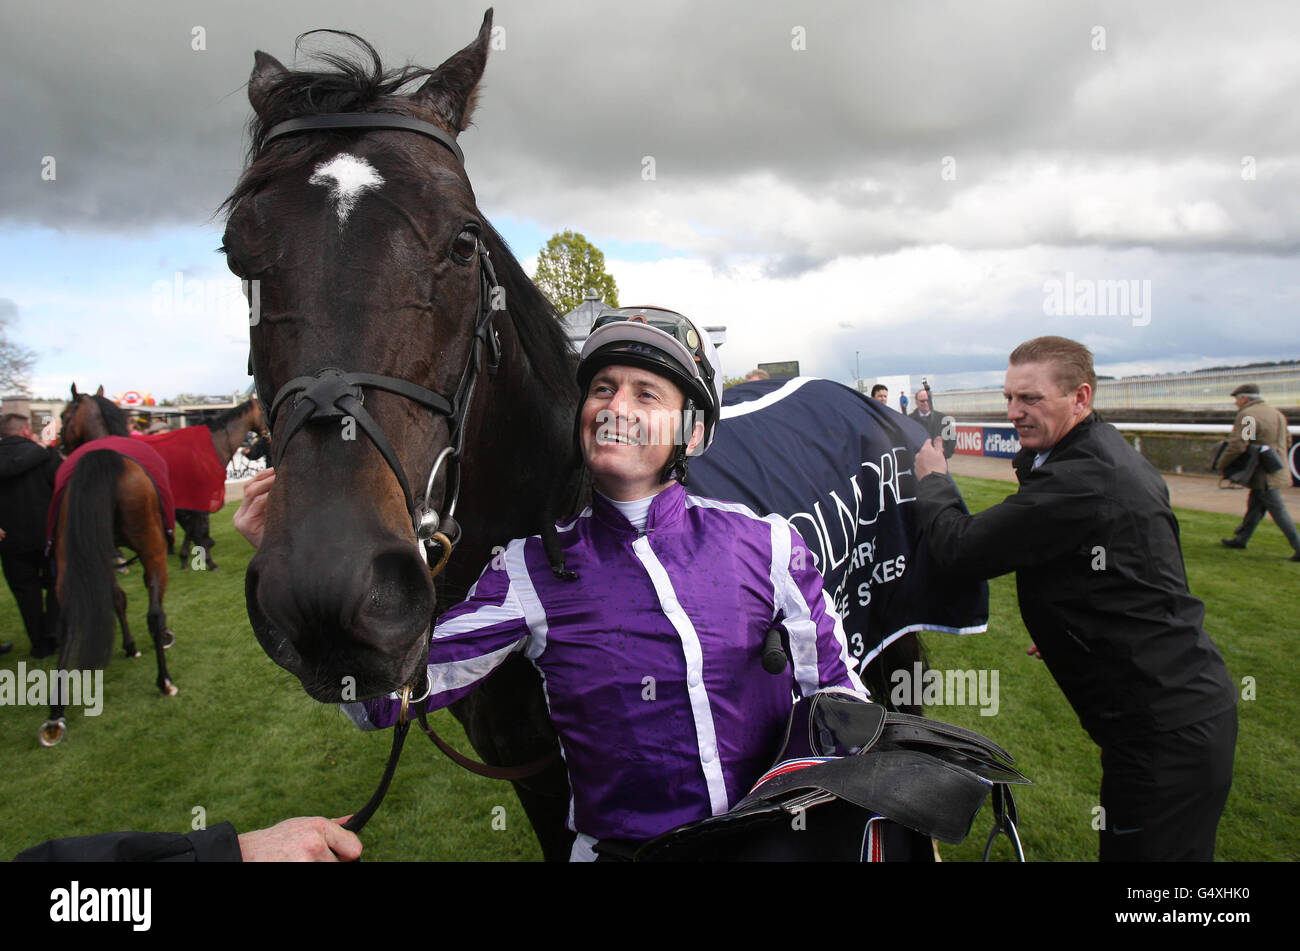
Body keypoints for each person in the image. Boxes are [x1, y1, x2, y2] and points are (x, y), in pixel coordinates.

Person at [332, 306, 867, 861]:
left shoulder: (768, 544)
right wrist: (330, 561)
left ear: (693, 431)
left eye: (646, 395)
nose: (616, 407)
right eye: (603, 389)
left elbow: (840, 699)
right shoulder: (529, 571)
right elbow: (377, 699)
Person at [912, 335, 1237, 862]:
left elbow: (961, 548)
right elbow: (1135, 569)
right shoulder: (1094, 452)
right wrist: (1072, 628)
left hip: (1167, 733)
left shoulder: (1082, 477)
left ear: (1081, 397)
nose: (1014, 412)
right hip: (1175, 716)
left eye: (1031, 399)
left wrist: (935, 481)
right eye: (1009, 398)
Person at [0, 412, 61, 657]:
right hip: (46, 535)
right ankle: (54, 631)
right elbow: (60, 488)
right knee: (57, 583)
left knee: (26, 592)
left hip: (10, 539)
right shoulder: (45, 456)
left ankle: (39, 642)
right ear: (26, 430)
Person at [1218, 383, 1299, 560]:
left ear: (1245, 398)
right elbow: (1287, 440)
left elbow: (1240, 444)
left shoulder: (1248, 416)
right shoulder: (1276, 413)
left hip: (1263, 471)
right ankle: (1241, 539)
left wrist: (1222, 464)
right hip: (1275, 466)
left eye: (1237, 399)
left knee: (1277, 509)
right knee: (1255, 505)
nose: (1236, 403)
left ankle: (1298, 545)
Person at [909, 385, 955, 458]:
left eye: (928, 400)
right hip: (917, 464)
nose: (925, 403)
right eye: (922, 401)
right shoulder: (908, 420)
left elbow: (951, 440)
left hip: (938, 464)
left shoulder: (943, 419)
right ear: (916, 402)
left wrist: (943, 455)